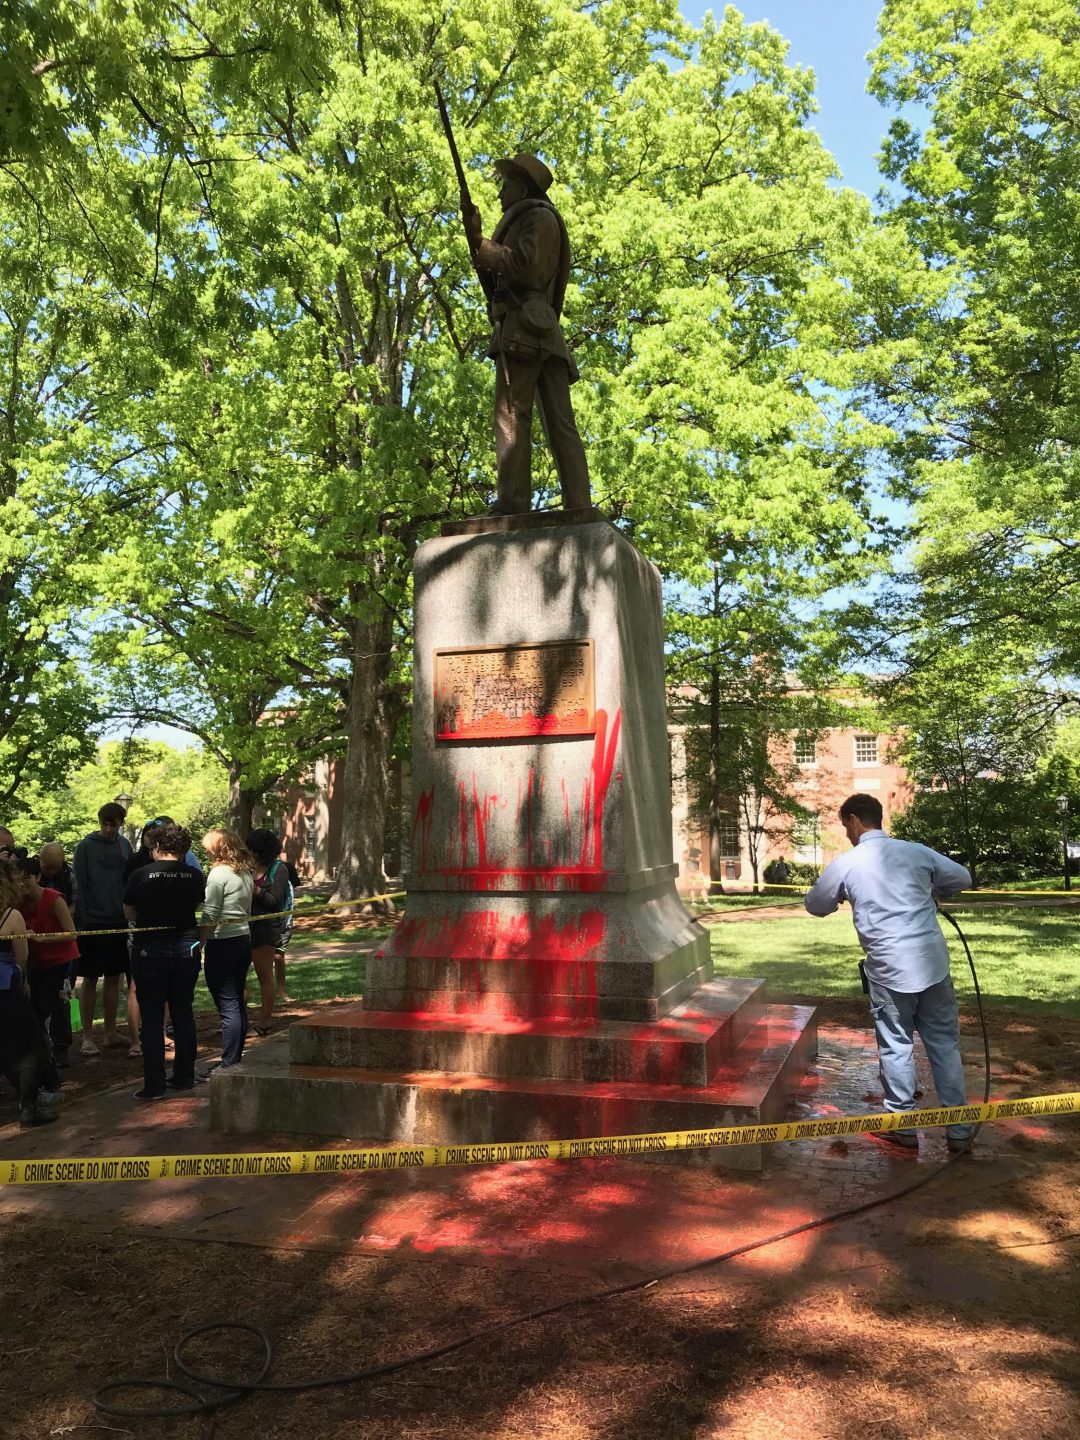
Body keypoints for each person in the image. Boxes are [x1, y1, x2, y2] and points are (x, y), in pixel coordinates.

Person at [804, 793, 975, 1154]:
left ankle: (903, 1126)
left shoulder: (848, 862)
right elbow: (963, 877)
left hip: (888, 970)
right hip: (932, 965)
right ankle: (959, 1129)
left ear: (854, 820)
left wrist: (840, 896)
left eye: (845, 826)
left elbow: (815, 904)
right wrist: (933, 887)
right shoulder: (916, 852)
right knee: (944, 1045)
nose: (846, 834)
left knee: (896, 1047)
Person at [464, 152, 591, 515]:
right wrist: (475, 239)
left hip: (525, 329)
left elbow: (526, 268)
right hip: (535, 329)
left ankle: (514, 501)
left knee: (512, 414)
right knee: (557, 422)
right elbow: (498, 279)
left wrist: (482, 243)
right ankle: (577, 504)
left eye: (505, 186)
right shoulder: (534, 217)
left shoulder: (538, 217)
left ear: (522, 188)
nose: (500, 193)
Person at [122, 821, 205, 1100]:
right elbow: (196, 904)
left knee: (152, 1016)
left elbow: (129, 912)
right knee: (183, 1011)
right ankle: (184, 1076)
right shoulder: (194, 876)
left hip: (150, 948)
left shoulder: (140, 875)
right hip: (186, 946)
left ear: (156, 846)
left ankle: (154, 1085)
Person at [0, 859, 61, 1127]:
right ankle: (28, 1108)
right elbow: (22, 957)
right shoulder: (12, 916)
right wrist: (23, 980)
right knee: (27, 1047)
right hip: (6, 988)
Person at [73, 802, 133, 1055]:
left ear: (121, 823)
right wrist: (81, 919)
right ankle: (87, 1037)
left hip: (118, 920)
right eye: (104, 824)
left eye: (113, 824)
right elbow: (78, 884)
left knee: (114, 977)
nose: (108, 829)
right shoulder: (86, 846)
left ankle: (110, 1032)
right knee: (89, 978)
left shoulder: (125, 845)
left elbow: (130, 881)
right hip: (92, 922)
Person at [16, 857, 79, 1068]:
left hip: (61, 960)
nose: (22, 884)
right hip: (36, 961)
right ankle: (41, 1050)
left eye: (27, 878)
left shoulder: (54, 899)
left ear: (37, 877)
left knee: (58, 1005)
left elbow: (71, 934)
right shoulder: (17, 903)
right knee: (35, 1006)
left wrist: (41, 938)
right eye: (18, 879)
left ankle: (61, 1049)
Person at [200, 829, 255, 1070]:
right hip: (242, 939)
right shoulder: (244, 873)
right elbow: (248, 909)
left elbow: (211, 912)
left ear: (218, 849)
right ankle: (234, 1058)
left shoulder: (218, 873)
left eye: (208, 849)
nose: (206, 853)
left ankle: (228, 1062)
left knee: (228, 1004)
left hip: (222, 942)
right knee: (237, 1002)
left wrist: (200, 941)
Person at [245, 829, 290, 1036]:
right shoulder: (248, 868)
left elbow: (274, 900)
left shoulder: (278, 869)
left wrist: (255, 890)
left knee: (264, 976)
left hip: (265, 928)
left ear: (259, 850)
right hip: (244, 926)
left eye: (251, 849)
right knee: (238, 975)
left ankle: (264, 1023)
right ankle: (239, 1021)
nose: (249, 852)